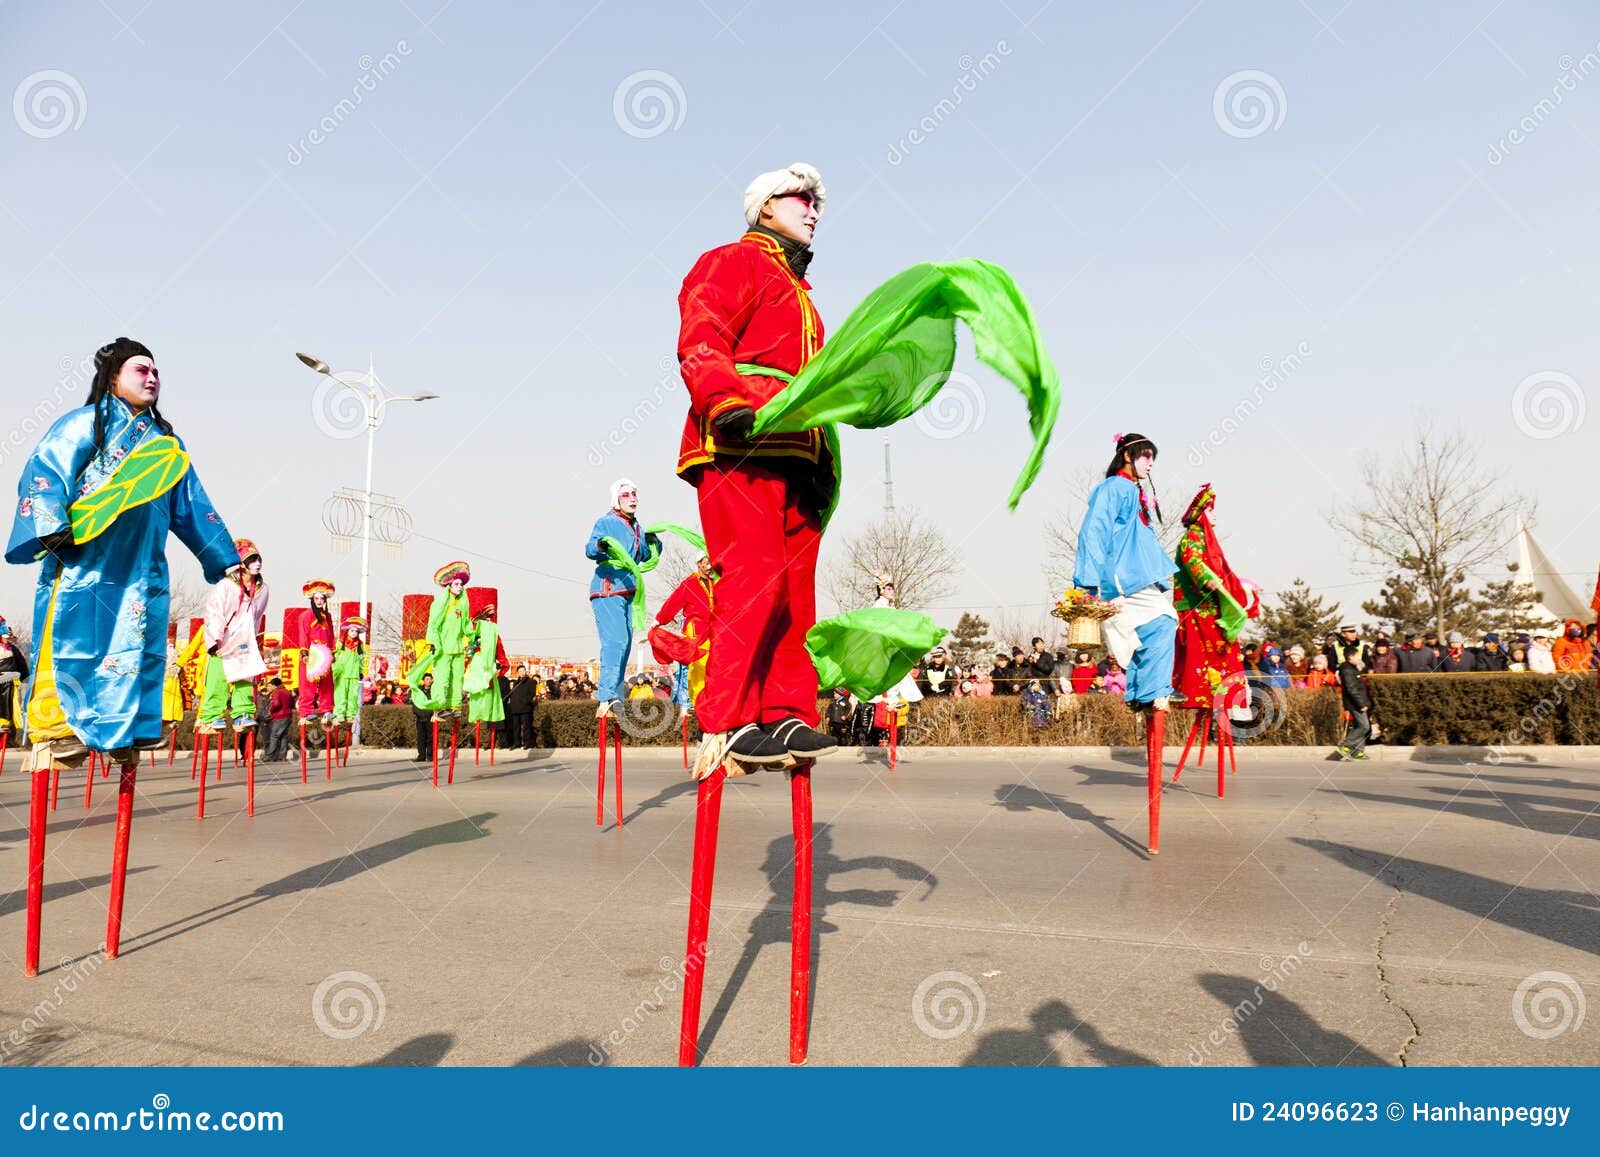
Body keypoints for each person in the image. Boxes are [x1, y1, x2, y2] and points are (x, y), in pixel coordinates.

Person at [7, 337, 237, 769]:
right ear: (113, 377)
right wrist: (52, 525)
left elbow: (192, 507)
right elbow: (44, 472)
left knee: (135, 648)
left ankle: (126, 732)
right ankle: (58, 733)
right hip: (84, 562)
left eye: (155, 371)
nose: (152, 377)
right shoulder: (82, 424)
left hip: (142, 569)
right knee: (71, 641)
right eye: (140, 370)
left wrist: (226, 559)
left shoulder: (166, 444)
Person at [674, 161, 838, 763]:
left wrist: (823, 454)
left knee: (795, 595)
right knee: (754, 579)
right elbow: (702, 333)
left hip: (798, 451)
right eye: (801, 199)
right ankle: (732, 720)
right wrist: (722, 400)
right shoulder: (732, 261)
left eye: (817, 204)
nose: (814, 211)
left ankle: (787, 712)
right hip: (738, 440)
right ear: (765, 207)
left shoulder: (804, 300)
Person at [1073, 432, 1177, 714]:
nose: (1150, 463)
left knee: (1155, 628)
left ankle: (1142, 694)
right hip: (1121, 578)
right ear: (1128, 455)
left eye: (1153, 458)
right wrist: (1089, 582)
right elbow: (1093, 531)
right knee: (1162, 622)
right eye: (1146, 456)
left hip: (1136, 577)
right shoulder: (1115, 487)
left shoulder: (1132, 490)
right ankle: (1149, 692)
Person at [586, 479, 660, 720]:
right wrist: (601, 544)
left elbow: (644, 555)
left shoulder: (637, 527)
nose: (632, 498)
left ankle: (614, 696)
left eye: (635, 494)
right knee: (615, 641)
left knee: (625, 643)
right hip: (608, 587)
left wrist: (653, 542)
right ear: (617, 499)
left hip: (628, 589)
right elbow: (590, 548)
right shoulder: (606, 521)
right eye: (626, 494)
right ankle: (606, 696)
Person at [197, 538, 271, 738]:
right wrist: (214, 640)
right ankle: (211, 716)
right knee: (217, 679)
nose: (257, 564)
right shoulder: (226, 586)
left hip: (244, 640)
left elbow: (257, 615)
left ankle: (243, 713)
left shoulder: (263, 590)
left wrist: (252, 638)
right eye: (251, 559)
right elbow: (214, 613)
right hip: (224, 640)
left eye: (258, 559)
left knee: (245, 678)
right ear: (241, 564)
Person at [655, 554, 717, 713]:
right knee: (698, 663)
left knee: (713, 664)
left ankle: (709, 699)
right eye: (706, 562)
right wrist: (660, 619)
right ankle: (696, 701)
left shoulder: (713, 583)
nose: (710, 566)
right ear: (699, 564)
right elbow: (674, 601)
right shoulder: (689, 584)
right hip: (696, 628)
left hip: (712, 629)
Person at [425, 562, 472, 721]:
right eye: (456, 584)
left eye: (461, 584)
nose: (459, 587)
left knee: (457, 679)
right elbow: (433, 625)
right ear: (449, 586)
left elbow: (466, 625)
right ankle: (438, 709)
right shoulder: (440, 604)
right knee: (442, 678)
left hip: (458, 649)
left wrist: (475, 635)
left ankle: (454, 707)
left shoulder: (462, 604)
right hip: (443, 648)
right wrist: (433, 643)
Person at [1335, 644, 1372, 761]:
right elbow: (1352, 689)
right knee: (1364, 726)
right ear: (1350, 657)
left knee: (1359, 726)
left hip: (1358, 702)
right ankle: (1346, 745)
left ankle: (1357, 752)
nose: (1359, 659)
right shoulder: (1347, 669)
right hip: (1355, 703)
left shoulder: (1352, 668)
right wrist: (1361, 704)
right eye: (1357, 657)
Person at [0, 618, 31, 744]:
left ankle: (7, 736)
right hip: (7, 683)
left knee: (7, 709)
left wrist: (25, 679)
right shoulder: (10, 650)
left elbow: (22, 666)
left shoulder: (11, 650)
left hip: (9, 684)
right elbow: (23, 667)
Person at [505, 664, 537, 749]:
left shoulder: (531, 681)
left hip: (525, 708)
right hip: (515, 708)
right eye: (520, 671)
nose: (521, 673)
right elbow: (513, 694)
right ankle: (516, 743)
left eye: (523, 671)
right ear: (518, 673)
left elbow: (532, 694)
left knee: (526, 726)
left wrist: (525, 702)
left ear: (526, 671)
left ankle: (527, 743)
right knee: (516, 727)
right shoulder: (516, 682)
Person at [262, 676, 293, 761]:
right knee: (284, 736)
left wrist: (271, 711)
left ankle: (269, 755)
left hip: (280, 716)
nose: (270, 687)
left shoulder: (277, 692)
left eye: (271, 685)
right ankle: (282, 755)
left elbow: (276, 704)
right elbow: (292, 703)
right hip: (288, 715)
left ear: (274, 686)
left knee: (274, 736)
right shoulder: (287, 691)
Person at [411, 671, 437, 763]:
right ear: (423, 680)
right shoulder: (418, 691)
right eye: (427, 679)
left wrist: (430, 714)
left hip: (430, 717)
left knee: (431, 737)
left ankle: (430, 756)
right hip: (420, 717)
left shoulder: (434, 691)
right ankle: (421, 755)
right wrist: (419, 714)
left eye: (430, 679)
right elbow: (415, 704)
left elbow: (435, 703)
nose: (429, 681)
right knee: (420, 737)